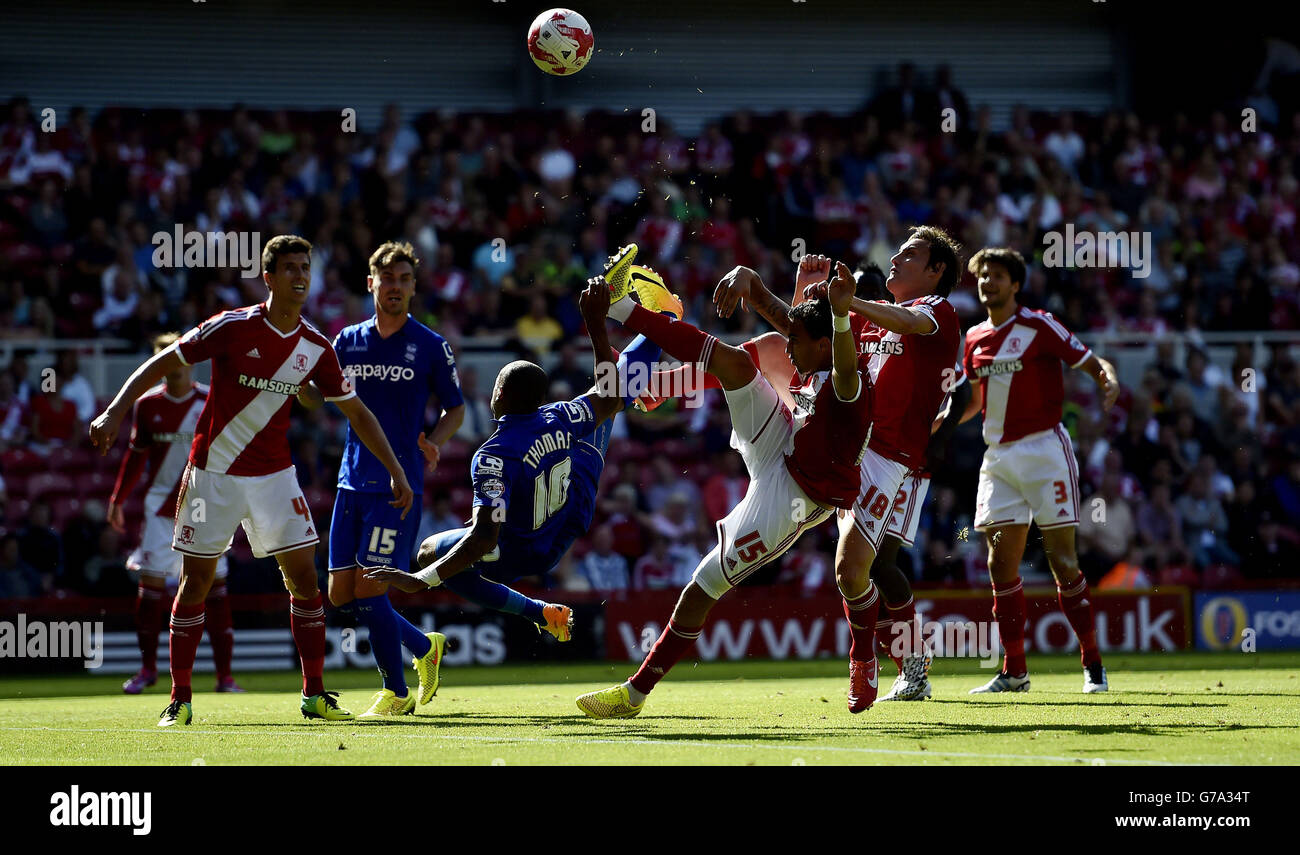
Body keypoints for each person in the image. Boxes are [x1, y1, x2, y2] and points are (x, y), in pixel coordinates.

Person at [89, 234, 414, 727]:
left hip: (275, 478)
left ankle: (314, 694)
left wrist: (396, 469)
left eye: (305, 267)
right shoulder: (231, 327)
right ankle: (180, 697)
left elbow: (358, 413)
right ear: (269, 277)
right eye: (289, 268)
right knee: (196, 582)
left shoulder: (316, 347)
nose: (300, 276)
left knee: (305, 580)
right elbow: (161, 363)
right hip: (212, 476)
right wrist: (115, 410)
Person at [574, 245, 875, 719]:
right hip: (787, 443)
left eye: (797, 337)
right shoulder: (805, 353)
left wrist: (837, 315)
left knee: (703, 584)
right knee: (736, 361)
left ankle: (634, 693)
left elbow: (843, 359)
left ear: (825, 340)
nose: (788, 344)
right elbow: (786, 321)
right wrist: (750, 280)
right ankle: (621, 308)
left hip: (797, 495)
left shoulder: (847, 378)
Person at [367, 248, 667, 640]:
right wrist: (595, 324)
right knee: (611, 395)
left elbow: (484, 538)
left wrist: (420, 581)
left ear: (501, 394)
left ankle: (538, 612)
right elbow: (609, 397)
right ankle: (662, 322)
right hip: (571, 514)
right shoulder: (559, 414)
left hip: (523, 550)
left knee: (429, 554)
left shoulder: (492, 457)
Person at [959, 247, 1120, 694]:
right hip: (998, 458)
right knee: (999, 563)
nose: (987, 282)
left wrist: (1109, 378)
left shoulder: (1040, 325)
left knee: (1063, 563)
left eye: (996, 275)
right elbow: (974, 401)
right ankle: (1015, 671)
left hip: (1045, 451)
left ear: (1015, 284)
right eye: (981, 275)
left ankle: (1092, 665)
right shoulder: (973, 338)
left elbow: (1090, 361)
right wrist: (935, 421)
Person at [321, 241, 465, 720]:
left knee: (370, 589)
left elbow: (456, 407)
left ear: (414, 287)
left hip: (397, 489)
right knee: (340, 593)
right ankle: (425, 646)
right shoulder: (346, 341)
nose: (396, 287)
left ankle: (396, 692)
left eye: (404, 280)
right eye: (387, 279)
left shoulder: (428, 345)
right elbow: (318, 393)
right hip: (350, 481)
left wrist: (436, 440)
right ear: (372, 284)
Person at [110, 333, 241, 695]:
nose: (173, 368)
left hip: (204, 506)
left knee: (214, 587)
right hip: (159, 508)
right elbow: (135, 456)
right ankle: (148, 670)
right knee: (150, 586)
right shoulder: (147, 405)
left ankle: (224, 677)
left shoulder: (209, 400)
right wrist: (118, 498)